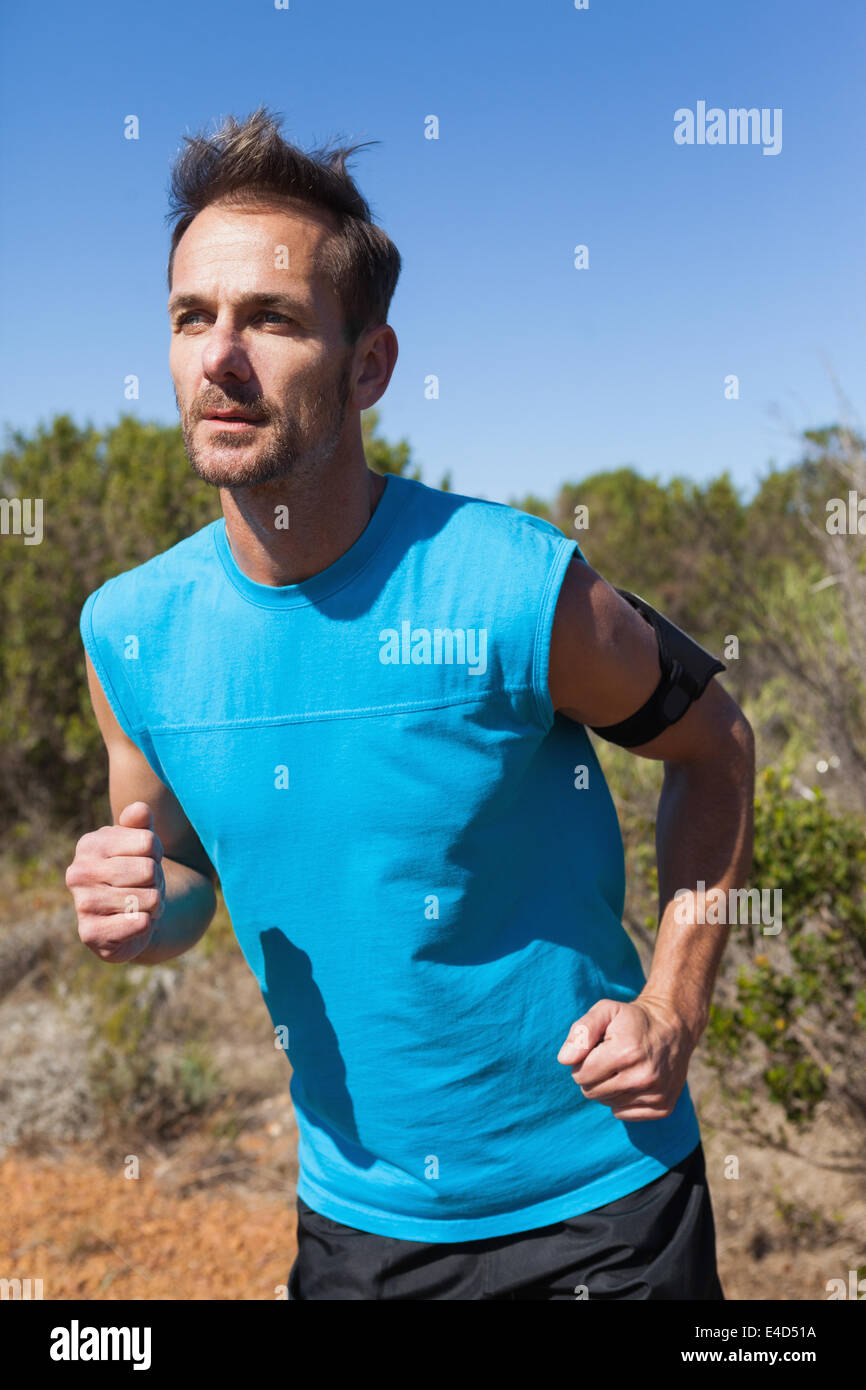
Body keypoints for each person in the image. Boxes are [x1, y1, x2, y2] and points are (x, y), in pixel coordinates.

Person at [65, 107, 754, 1300]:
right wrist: (140, 912)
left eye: (270, 319)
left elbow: (718, 744)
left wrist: (674, 1004)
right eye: (191, 317)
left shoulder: (515, 584)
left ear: (369, 362)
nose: (219, 358)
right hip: (353, 1223)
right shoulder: (128, 632)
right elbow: (177, 881)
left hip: (601, 1209)